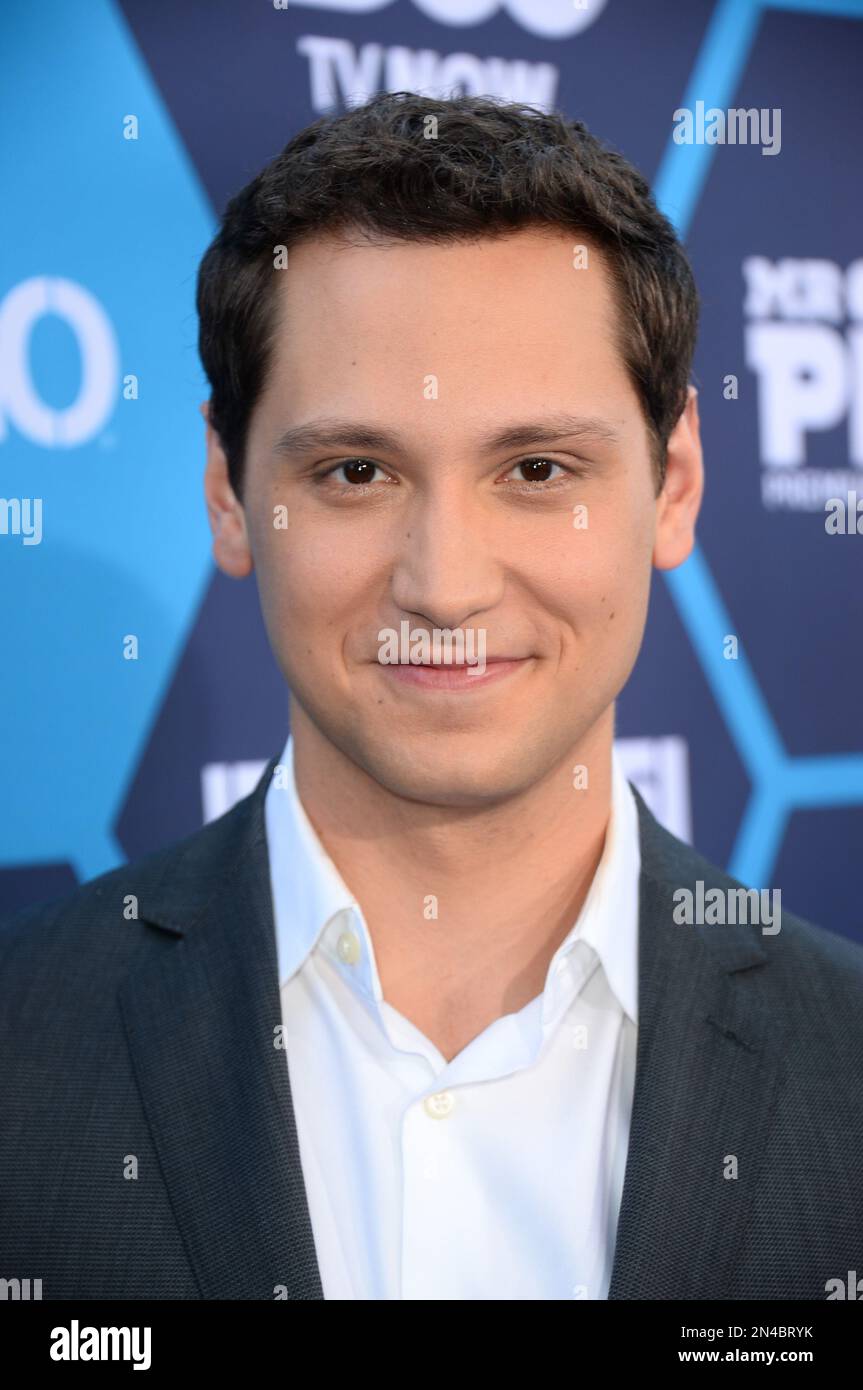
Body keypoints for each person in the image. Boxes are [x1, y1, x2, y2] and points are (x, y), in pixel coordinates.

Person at [2, 93, 861, 1302]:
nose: (443, 585)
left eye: (535, 469)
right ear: (228, 492)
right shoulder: (22, 1050)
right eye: (355, 471)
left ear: (670, 484)